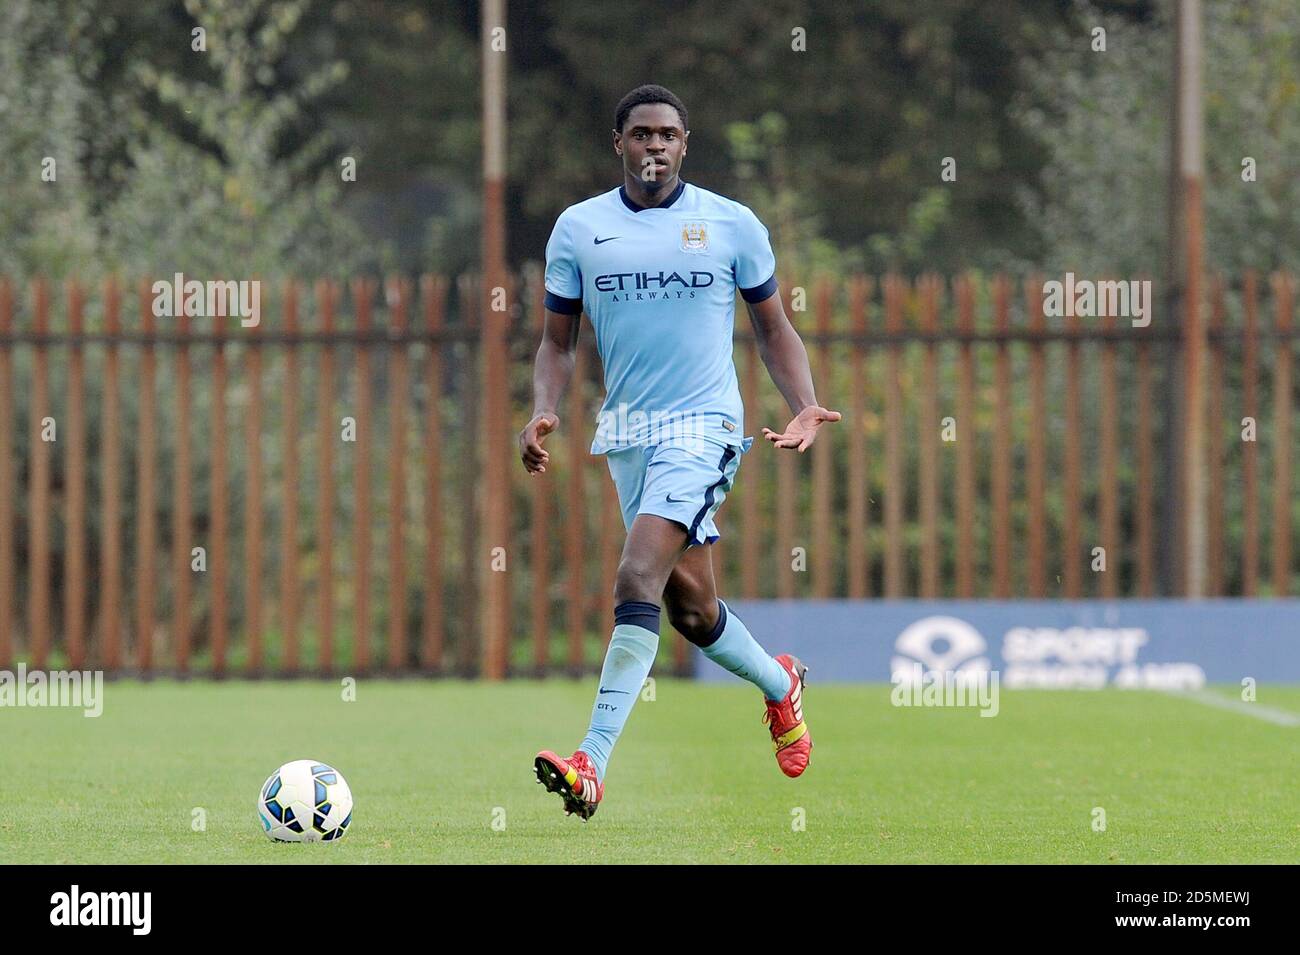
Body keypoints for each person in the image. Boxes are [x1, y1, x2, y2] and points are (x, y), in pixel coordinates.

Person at [519, 84, 840, 819]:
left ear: (685, 144)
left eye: (667, 134)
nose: (654, 145)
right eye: (640, 134)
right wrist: (543, 410)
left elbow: (773, 328)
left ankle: (590, 763)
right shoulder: (577, 229)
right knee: (692, 611)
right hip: (627, 435)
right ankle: (780, 683)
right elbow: (556, 343)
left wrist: (803, 406)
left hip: (705, 430)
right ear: (619, 143)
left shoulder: (731, 224)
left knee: (636, 576)